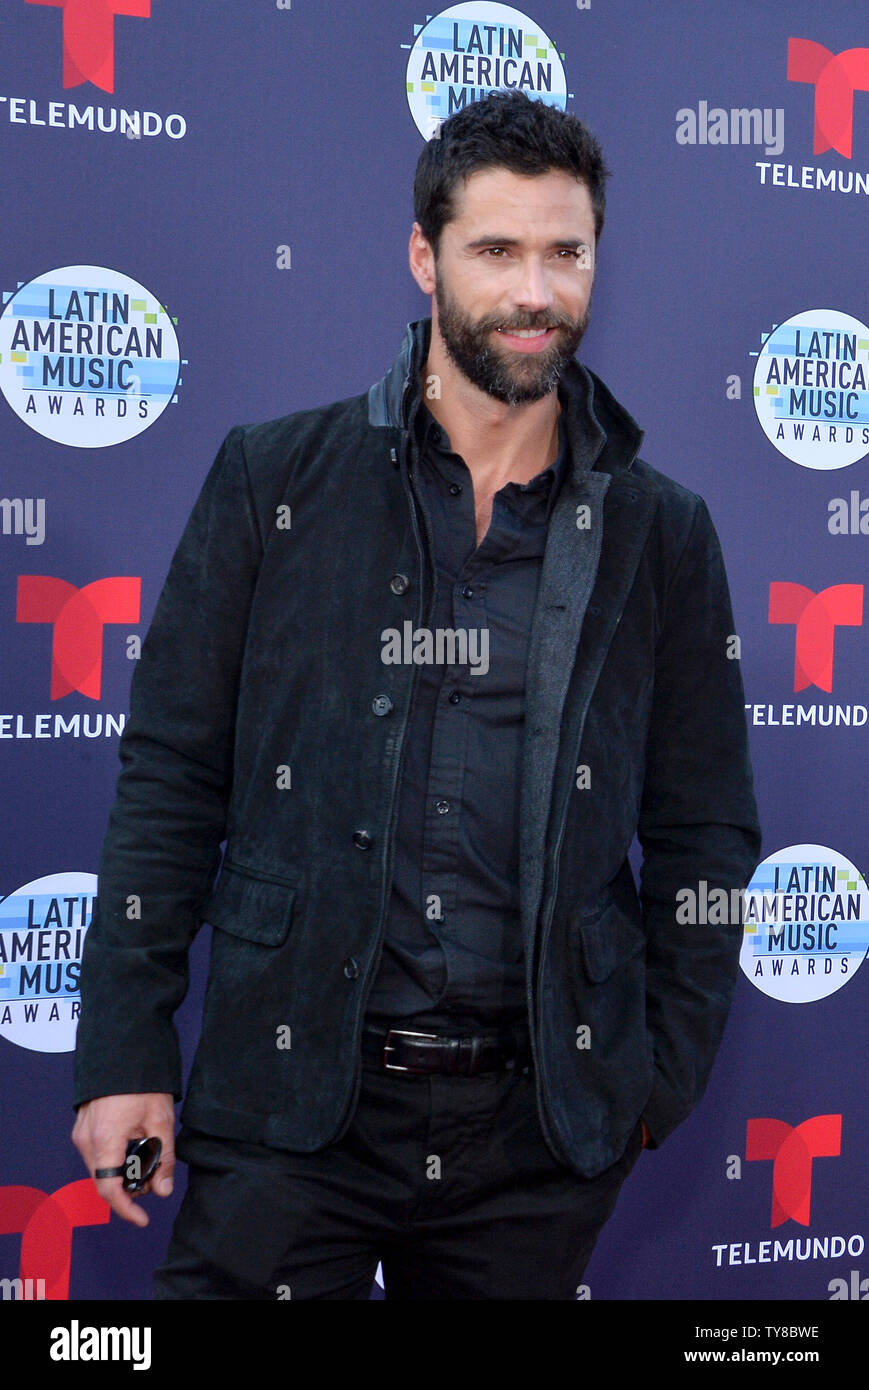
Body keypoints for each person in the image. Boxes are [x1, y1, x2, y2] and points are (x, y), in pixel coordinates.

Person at [72, 89, 761, 1300]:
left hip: (534, 1133)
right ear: (423, 257)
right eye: (495, 250)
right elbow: (173, 775)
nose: (534, 292)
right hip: (290, 1106)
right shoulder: (273, 479)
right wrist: (124, 1047)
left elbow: (704, 827)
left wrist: (655, 1081)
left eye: (565, 252)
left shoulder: (662, 533)